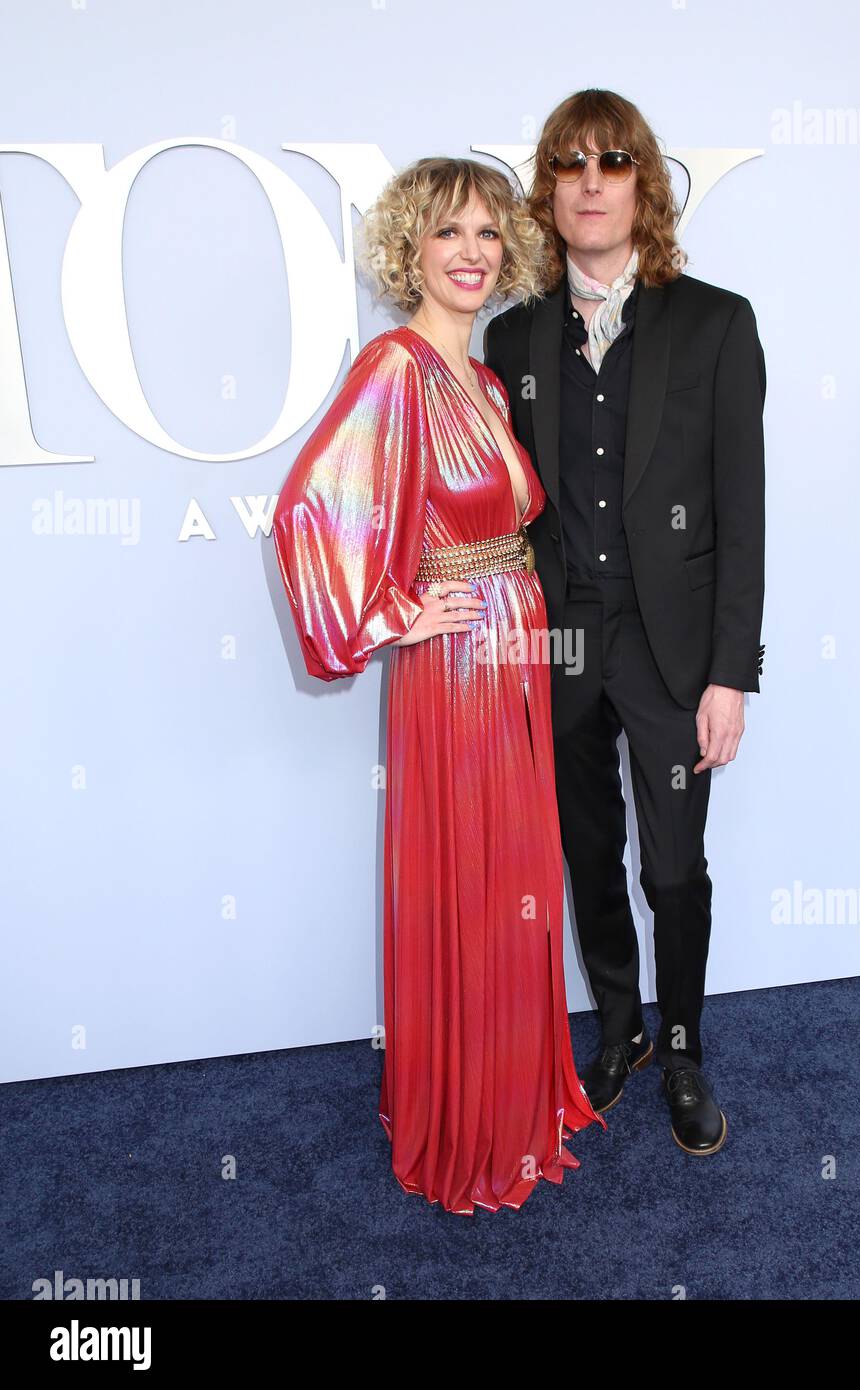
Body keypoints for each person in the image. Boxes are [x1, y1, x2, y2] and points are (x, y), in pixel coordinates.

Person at [271, 157, 604, 1215]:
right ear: (408, 249)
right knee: (472, 874)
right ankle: (467, 1125)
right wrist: (392, 611)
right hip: (455, 663)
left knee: (515, 875)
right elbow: (308, 510)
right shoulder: (398, 368)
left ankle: (511, 1100)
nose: (470, 253)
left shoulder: (486, 381)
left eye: (486, 235)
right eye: (446, 233)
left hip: (511, 645)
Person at [484, 90, 766, 1155]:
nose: (589, 182)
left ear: (642, 184)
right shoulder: (511, 337)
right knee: (588, 856)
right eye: (567, 165)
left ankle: (683, 1045)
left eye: (610, 162)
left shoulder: (715, 322)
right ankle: (618, 1033)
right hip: (553, 647)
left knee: (671, 866)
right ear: (547, 194)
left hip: (674, 654)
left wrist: (730, 672)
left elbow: (742, 512)